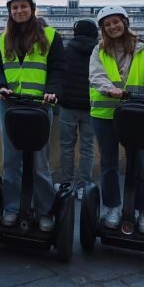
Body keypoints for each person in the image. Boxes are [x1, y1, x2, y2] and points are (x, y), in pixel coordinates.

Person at [0, 0, 64, 232]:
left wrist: (52, 90)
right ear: (10, 11)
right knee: (11, 159)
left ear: (32, 8)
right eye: (14, 7)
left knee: (40, 161)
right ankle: (12, 207)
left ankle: (44, 210)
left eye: (23, 6)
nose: (19, 11)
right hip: (9, 104)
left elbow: (58, 69)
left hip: (39, 105)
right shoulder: (4, 38)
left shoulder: (50, 36)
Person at [89, 5, 144, 233]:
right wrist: (108, 88)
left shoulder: (143, 49)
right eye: (107, 24)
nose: (113, 27)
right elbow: (95, 76)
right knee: (109, 164)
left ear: (125, 22)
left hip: (136, 115)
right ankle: (112, 208)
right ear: (103, 29)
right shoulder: (99, 51)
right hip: (105, 114)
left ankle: (143, 212)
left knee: (141, 164)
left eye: (116, 22)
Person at [58, 19, 99, 200]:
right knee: (87, 148)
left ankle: (66, 184)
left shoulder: (66, 51)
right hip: (91, 107)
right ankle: (84, 186)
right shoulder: (99, 53)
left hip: (68, 107)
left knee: (66, 147)